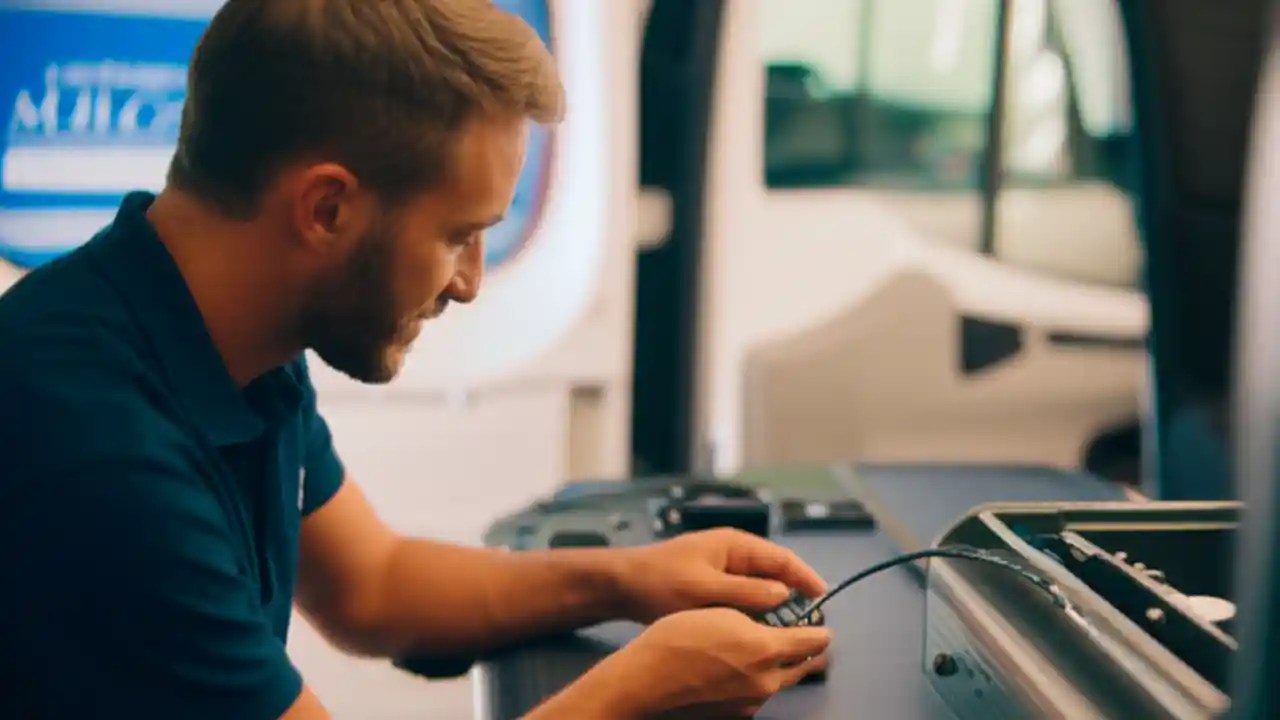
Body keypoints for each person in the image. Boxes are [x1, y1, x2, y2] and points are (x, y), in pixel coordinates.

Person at [0, 1, 831, 718]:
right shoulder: (95, 445)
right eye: (458, 235)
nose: (469, 282)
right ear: (328, 208)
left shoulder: (232, 333)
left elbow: (376, 584)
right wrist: (640, 691)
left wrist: (629, 580)